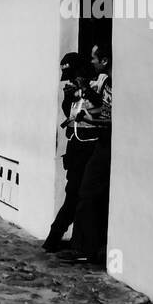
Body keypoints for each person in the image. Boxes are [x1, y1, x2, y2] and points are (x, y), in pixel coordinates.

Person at [62, 47, 112, 266]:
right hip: (83, 144)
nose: (92, 62)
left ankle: (86, 249)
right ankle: (80, 246)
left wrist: (85, 90)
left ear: (104, 59)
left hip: (95, 143)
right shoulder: (106, 82)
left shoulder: (100, 83)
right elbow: (70, 113)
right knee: (81, 195)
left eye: (95, 57)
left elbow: (104, 112)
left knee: (87, 197)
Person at [42, 53, 94, 252]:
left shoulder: (95, 86)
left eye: (73, 76)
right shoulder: (72, 90)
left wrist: (85, 90)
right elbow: (69, 114)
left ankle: (64, 239)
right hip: (75, 146)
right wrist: (70, 96)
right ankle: (57, 237)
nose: (71, 80)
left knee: (81, 196)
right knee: (73, 193)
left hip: (89, 145)